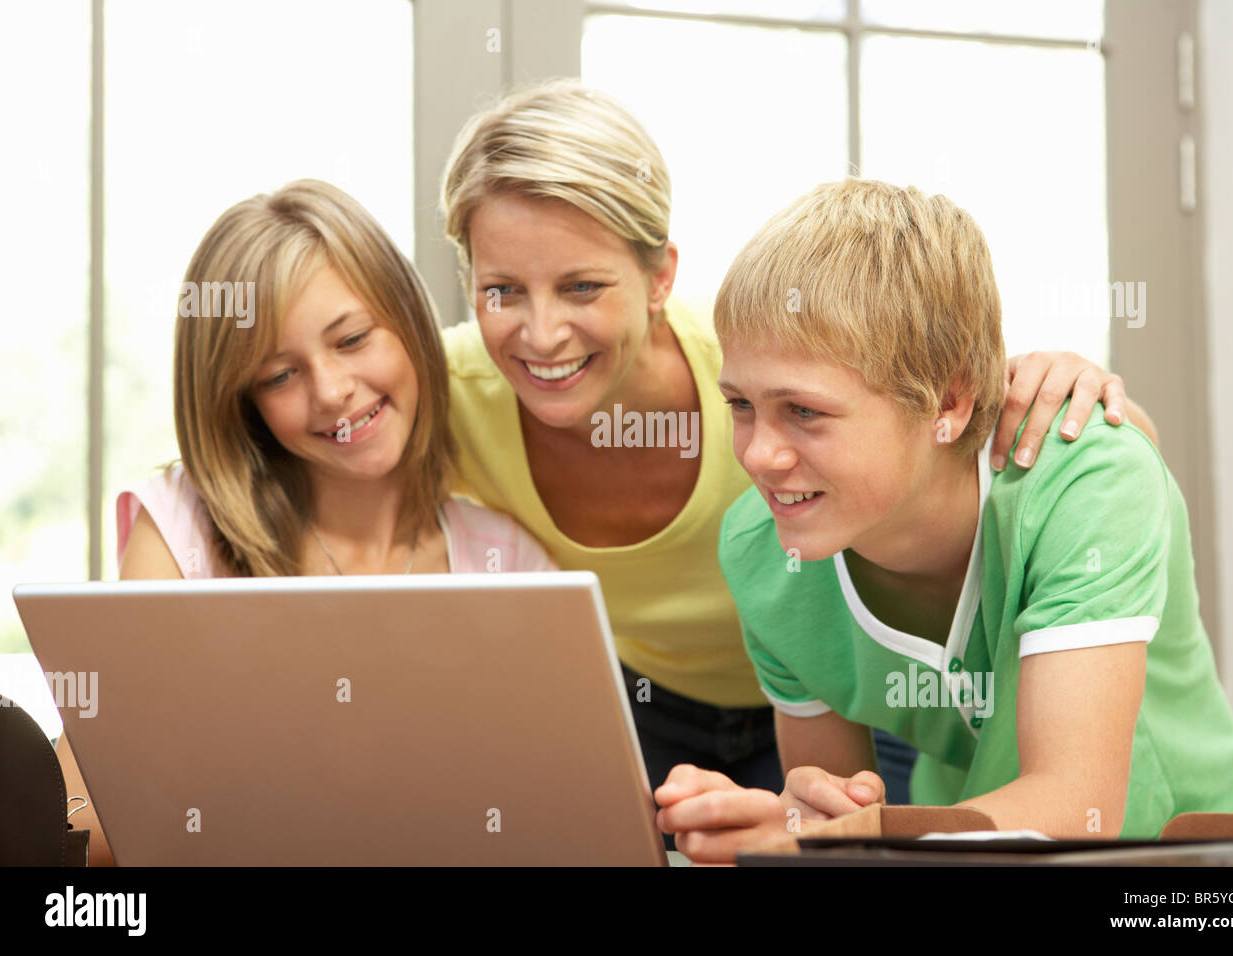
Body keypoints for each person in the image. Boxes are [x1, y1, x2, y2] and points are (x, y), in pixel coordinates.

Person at [438, 79, 1159, 816]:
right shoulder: (454, 396)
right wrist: (796, 828)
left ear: (660, 279)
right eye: (502, 291)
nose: (542, 332)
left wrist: (1090, 410)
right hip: (679, 698)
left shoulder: (766, 357)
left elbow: (944, 386)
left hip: (860, 681)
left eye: (583, 286)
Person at [653, 179, 1233, 862]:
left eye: (805, 411)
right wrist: (790, 827)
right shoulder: (763, 553)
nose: (759, 454)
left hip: (1186, 866)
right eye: (740, 405)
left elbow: (1077, 807)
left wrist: (840, 840)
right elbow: (837, 812)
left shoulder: (1085, 483)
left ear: (949, 400)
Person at [56, 179, 556, 865]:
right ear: (244, 403)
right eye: (279, 376)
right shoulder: (184, 529)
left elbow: (552, 815)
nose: (331, 392)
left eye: (352, 338)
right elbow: (84, 820)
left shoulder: (509, 562)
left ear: (409, 323)